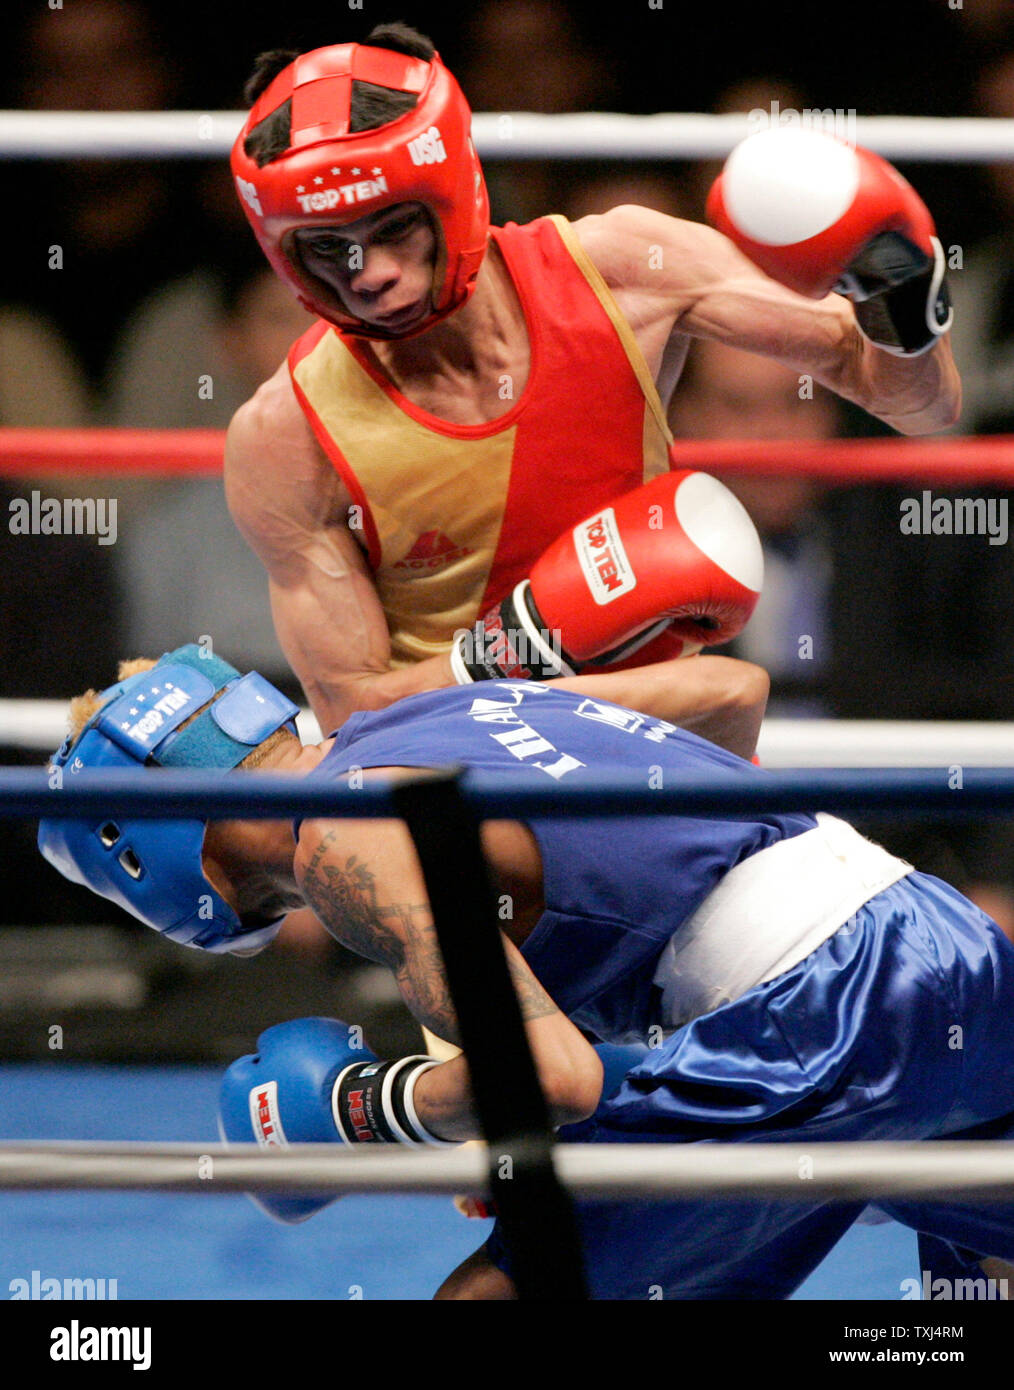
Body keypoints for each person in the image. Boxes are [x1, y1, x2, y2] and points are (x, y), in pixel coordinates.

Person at [38, 644, 1014, 1299]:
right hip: (940, 936)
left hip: (815, 1008)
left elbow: (551, 1077)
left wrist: (369, 1110)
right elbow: (732, 692)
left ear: (145, 850)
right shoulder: (435, 712)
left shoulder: (346, 842)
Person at [225, 23, 960, 738]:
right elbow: (352, 720)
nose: (372, 275)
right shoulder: (286, 434)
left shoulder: (624, 270)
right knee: (722, 690)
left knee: (732, 707)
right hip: (461, 777)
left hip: (660, 756)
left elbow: (919, 406)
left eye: (394, 228)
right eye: (329, 248)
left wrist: (897, 296)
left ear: (452, 190)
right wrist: (519, 644)